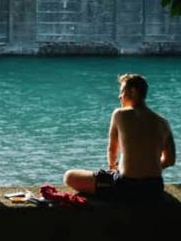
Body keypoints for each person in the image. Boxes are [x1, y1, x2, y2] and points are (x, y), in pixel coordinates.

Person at [63, 73, 174, 201]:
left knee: (69, 176)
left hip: (126, 187)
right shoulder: (163, 122)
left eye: (122, 91)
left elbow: (112, 149)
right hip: (154, 187)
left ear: (133, 92)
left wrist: (112, 167)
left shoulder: (120, 114)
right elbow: (170, 160)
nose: (119, 96)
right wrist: (149, 168)